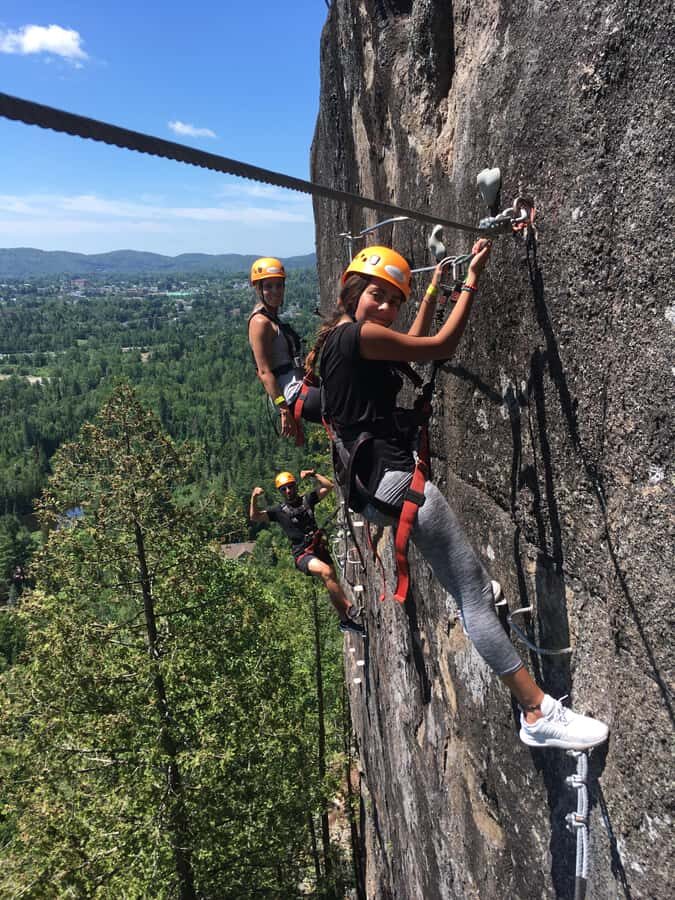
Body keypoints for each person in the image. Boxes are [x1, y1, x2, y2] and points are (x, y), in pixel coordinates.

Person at [307, 243, 609, 750]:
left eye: (394, 301)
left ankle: (483, 596)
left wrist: (431, 291)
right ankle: (537, 711)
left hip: (373, 485)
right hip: (396, 484)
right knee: (472, 598)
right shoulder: (358, 336)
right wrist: (472, 279)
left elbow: (408, 343)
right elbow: (439, 346)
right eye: (378, 295)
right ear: (353, 291)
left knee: (471, 587)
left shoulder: (342, 338)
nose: (386, 307)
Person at [249, 469, 365, 637]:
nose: (288, 491)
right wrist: (254, 497)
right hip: (302, 553)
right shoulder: (278, 512)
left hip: (318, 547)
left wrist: (313, 474)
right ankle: (349, 607)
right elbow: (254, 516)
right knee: (327, 572)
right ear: (281, 492)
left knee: (331, 581)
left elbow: (328, 486)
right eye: (284, 489)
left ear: (295, 486)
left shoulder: (307, 500)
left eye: (290, 487)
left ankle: (345, 621)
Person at [247, 257, 322, 441]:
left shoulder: (272, 319)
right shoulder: (260, 322)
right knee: (348, 404)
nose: (275, 291)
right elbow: (264, 372)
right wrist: (283, 409)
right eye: (268, 286)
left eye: (279, 285)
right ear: (258, 289)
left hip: (298, 388)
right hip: (292, 393)